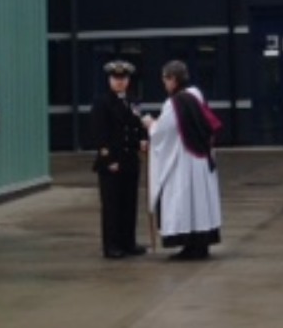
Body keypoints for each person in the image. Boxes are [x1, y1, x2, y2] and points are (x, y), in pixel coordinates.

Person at [143, 60, 222, 260]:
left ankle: (190, 245)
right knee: (200, 203)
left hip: (184, 161)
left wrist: (151, 124)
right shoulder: (196, 95)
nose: (164, 83)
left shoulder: (174, 103)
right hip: (202, 159)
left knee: (185, 202)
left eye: (165, 79)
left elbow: (163, 132)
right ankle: (201, 244)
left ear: (173, 79)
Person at [89, 60, 148, 259]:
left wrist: (143, 139)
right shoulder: (102, 102)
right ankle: (112, 245)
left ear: (128, 80)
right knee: (112, 206)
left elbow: (137, 125)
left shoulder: (133, 100)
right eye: (116, 78)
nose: (120, 82)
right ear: (109, 80)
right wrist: (108, 159)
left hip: (130, 159)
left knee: (129, 204)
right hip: (112, 161)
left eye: (123, 78)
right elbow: (99, 133)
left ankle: (128, 242)